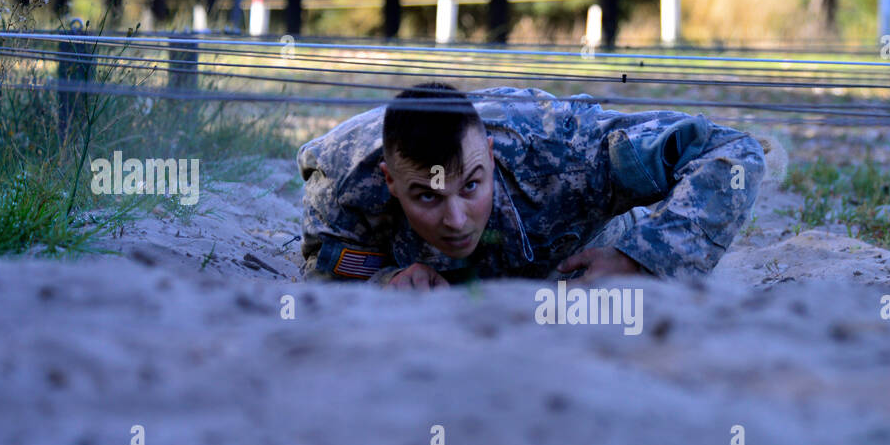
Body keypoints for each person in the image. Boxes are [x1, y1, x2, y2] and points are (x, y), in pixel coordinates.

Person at [298, 82, 766, 289]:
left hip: (586, 251)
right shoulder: (342, 177)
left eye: (471, 187)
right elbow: (325, 268)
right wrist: (388, 281)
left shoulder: (568, 146)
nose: (456, 220)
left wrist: (642, 260)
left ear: (491, 155)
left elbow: (733, 152)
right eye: (427, 197)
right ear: (390, 183)